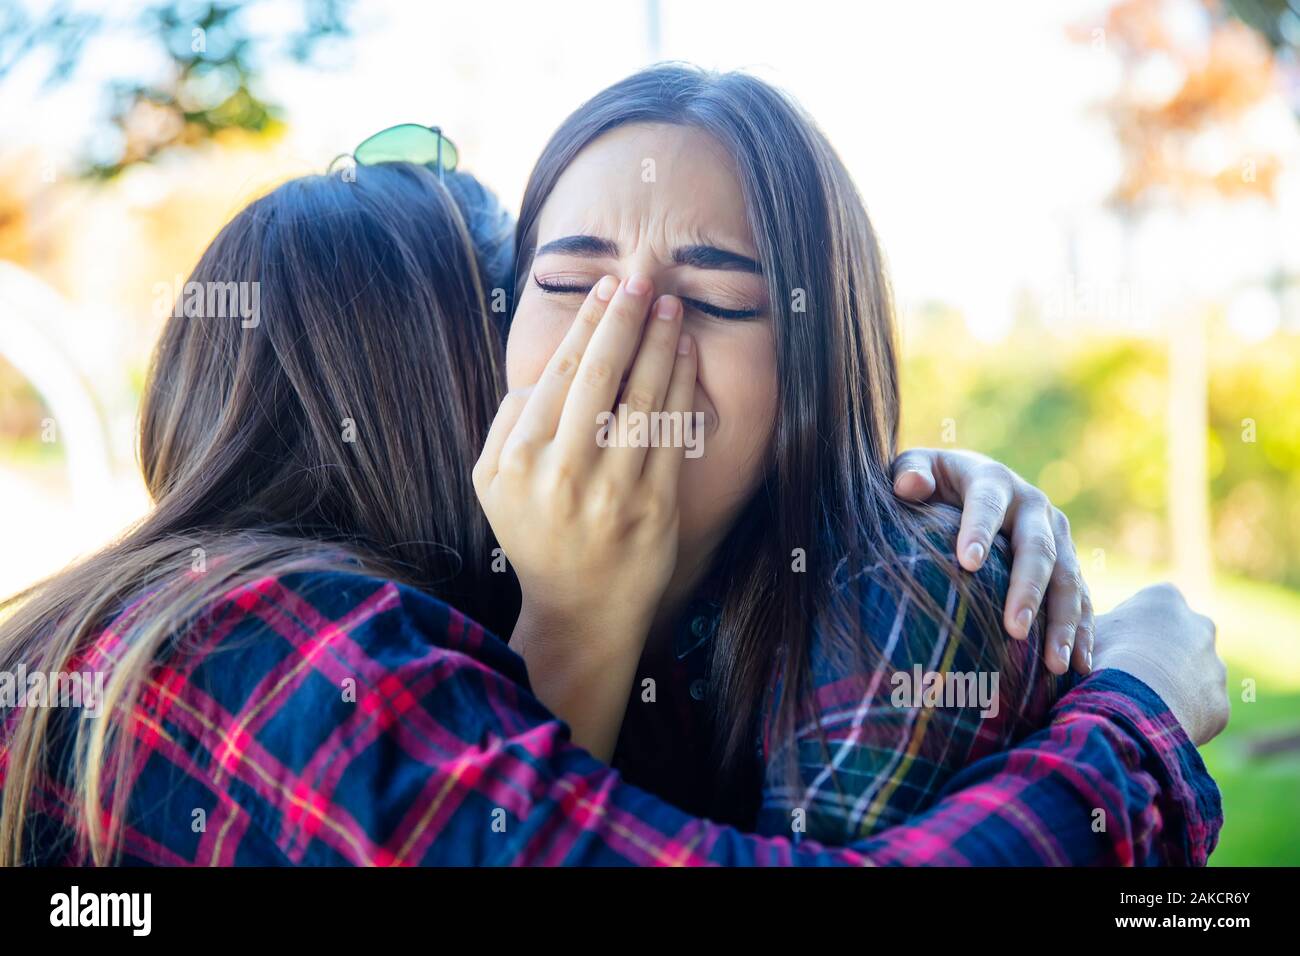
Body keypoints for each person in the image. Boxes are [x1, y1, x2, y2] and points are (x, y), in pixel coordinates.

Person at [0, 161, 1224, 867]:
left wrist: (871, 492)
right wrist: (1142, 714)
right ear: (430, 384)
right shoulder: (285, 648)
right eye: (561, 295)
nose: (614, 364)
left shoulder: (186, 621)